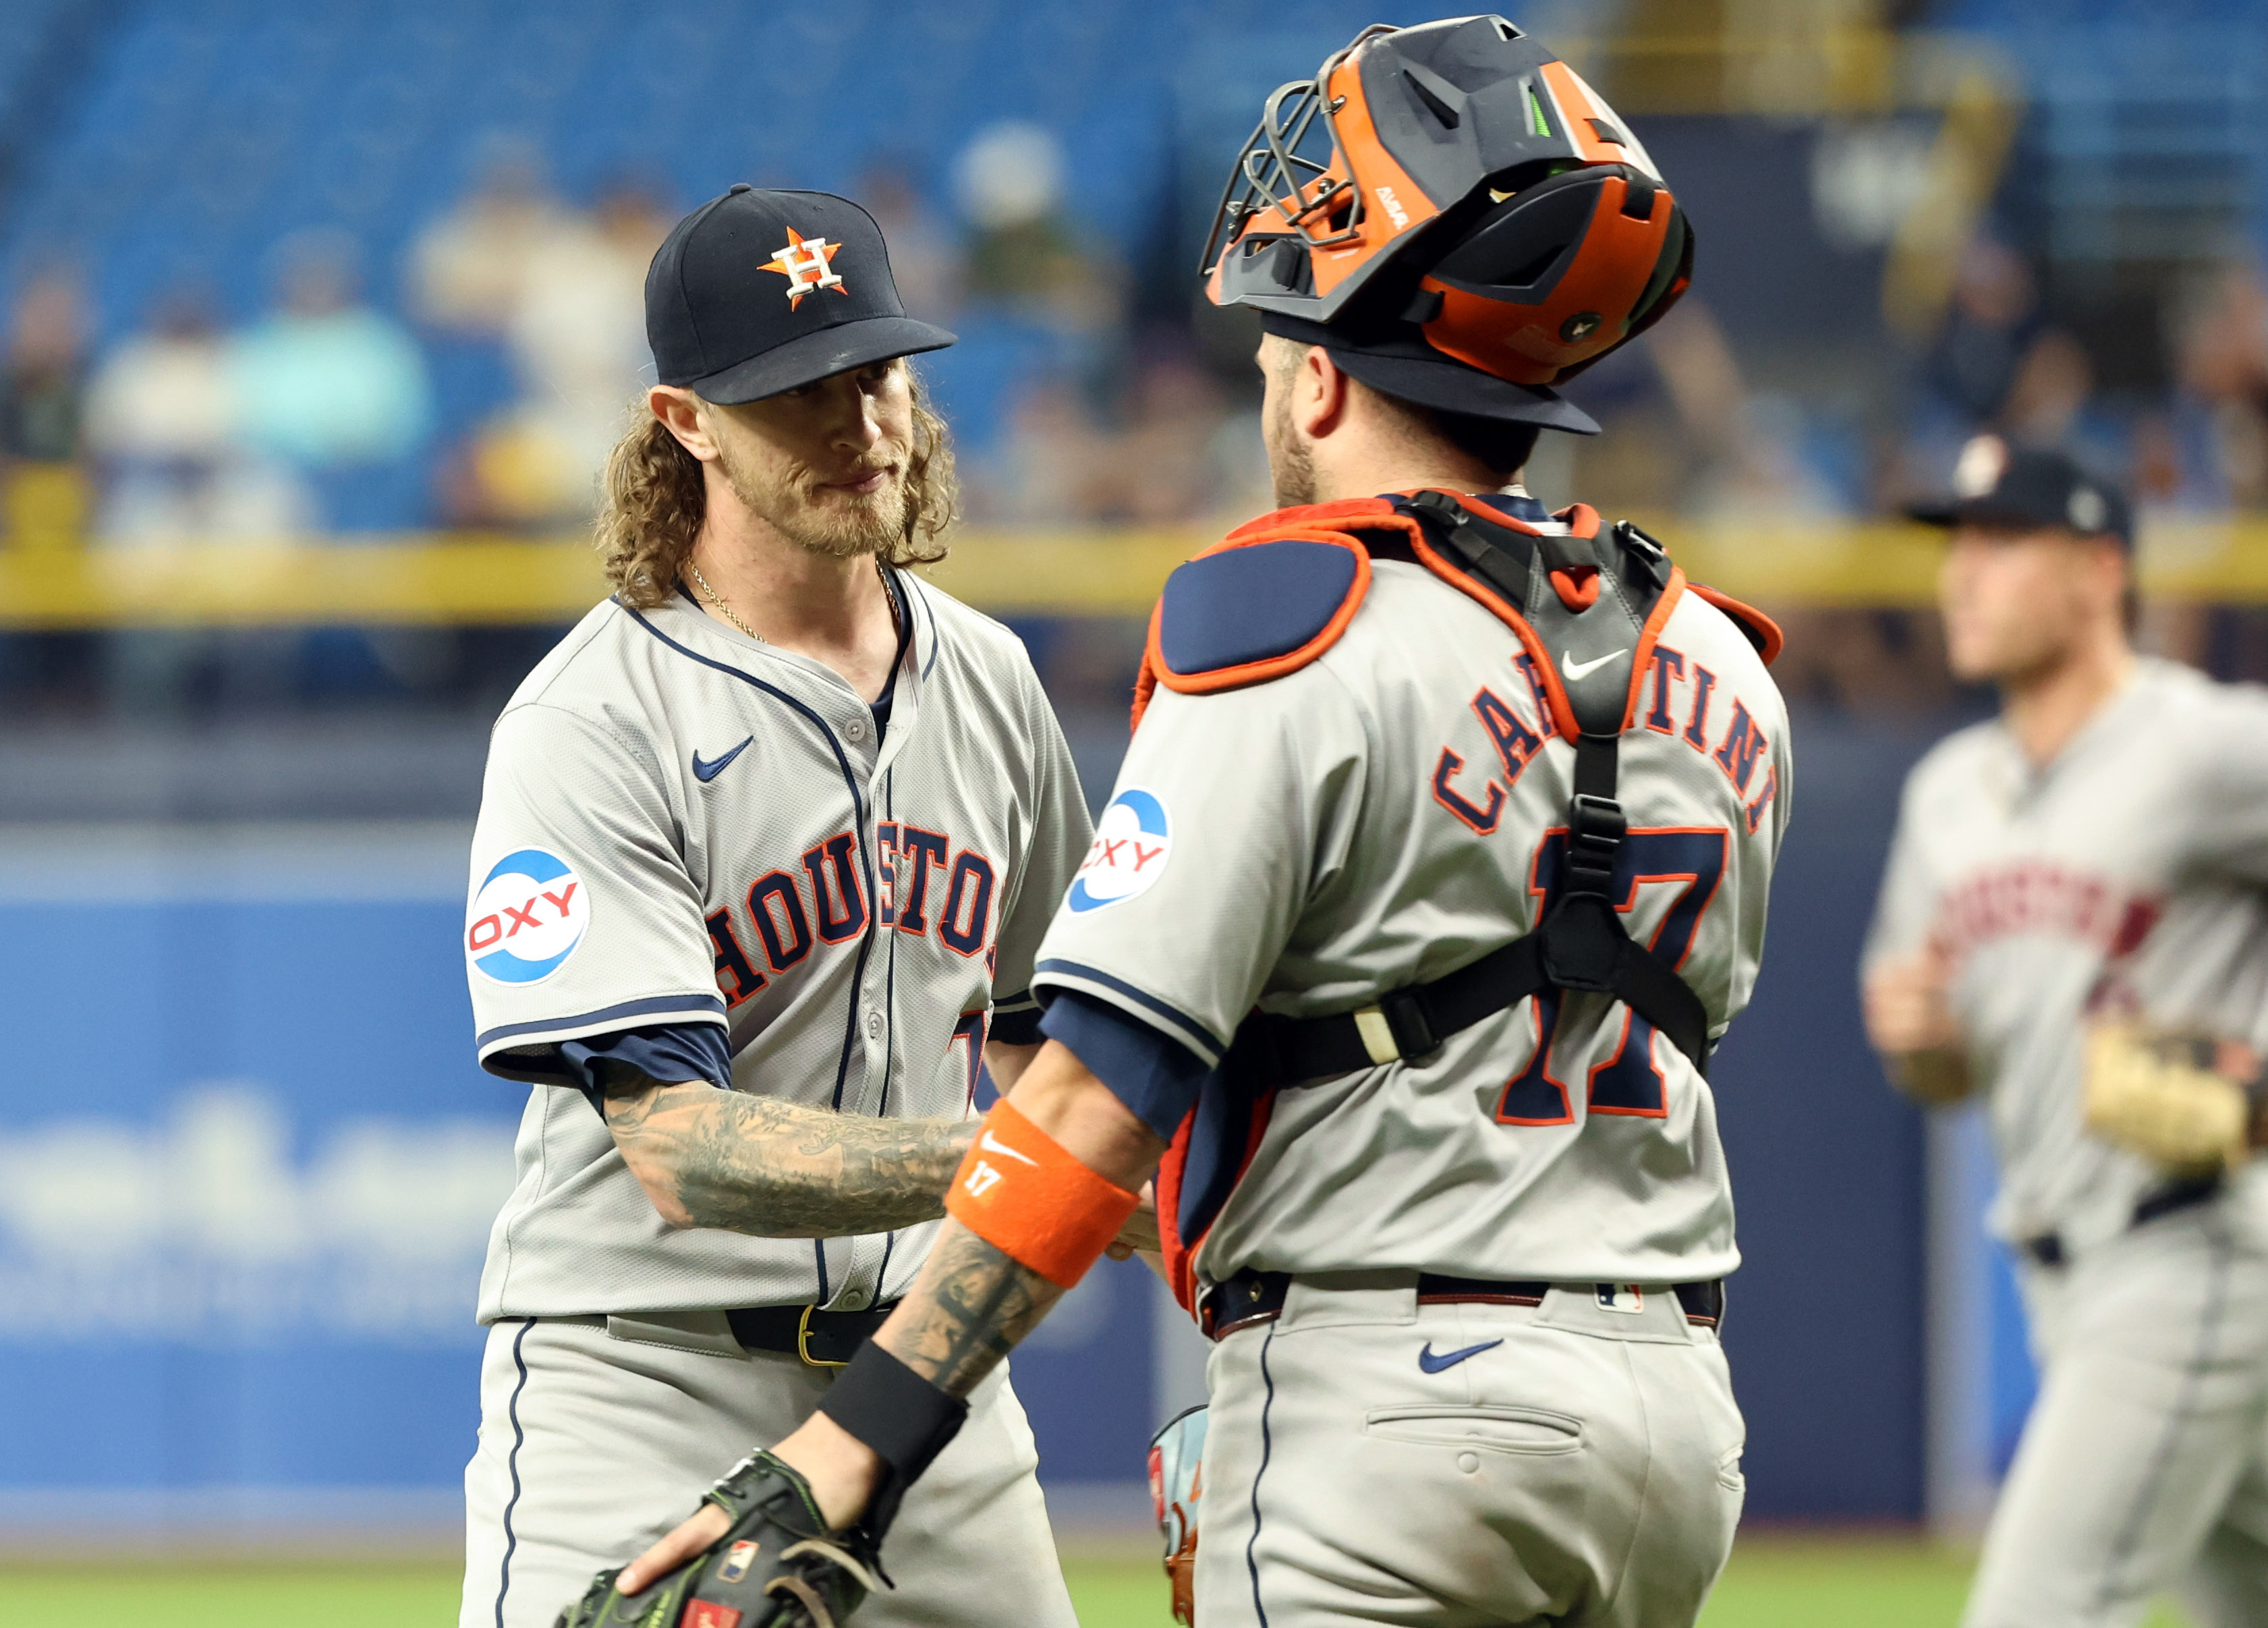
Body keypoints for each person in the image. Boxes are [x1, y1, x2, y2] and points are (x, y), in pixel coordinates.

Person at [594, 20, 1790, 1628]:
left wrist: (849, 1447)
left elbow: (1096, 1106)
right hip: (1673, 1423)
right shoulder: (1719, 653)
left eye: (1264, 357)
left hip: (1391, 1405)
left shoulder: (1287, 622)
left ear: (1315, 372)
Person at [455, 185, 1095, 1628]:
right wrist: (1022, 1162)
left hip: (927, 1384)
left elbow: (1047, 1036)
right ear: (686, 421)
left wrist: (1057, 1161)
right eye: (801, 393)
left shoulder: (990, 679)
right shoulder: (591, 717)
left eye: (878, 374)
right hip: (643, 1372)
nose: (861, 425)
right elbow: (681, 1151)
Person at [1861, 434, 2268, 1628]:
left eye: (1999, 542)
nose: (1960, 577)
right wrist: (1922, 1033)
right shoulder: (1946, 790)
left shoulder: (2196, 745)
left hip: (2189, 1245)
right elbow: (1934, 1072)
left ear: (2099, 570)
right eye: (1954, 546)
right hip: (2058, 1275)